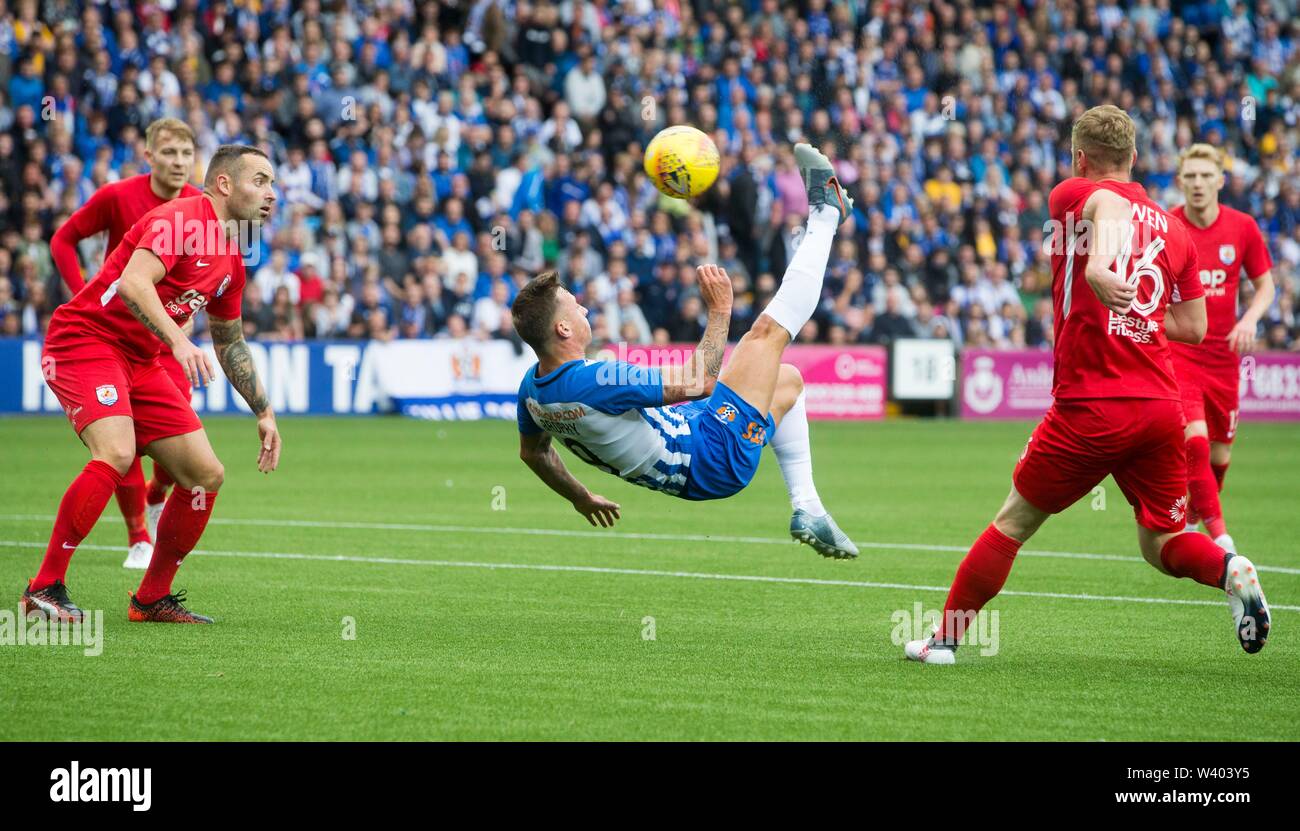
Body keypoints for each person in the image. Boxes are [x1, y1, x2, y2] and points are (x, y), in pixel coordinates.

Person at [906, 106, 1269, 665]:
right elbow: (1195, 328)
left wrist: (1100, 266)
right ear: (1136, 158)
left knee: (1013, 523)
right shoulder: (1174, 229)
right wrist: (1145, 315)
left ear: (1081, 158)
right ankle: (1229, 568)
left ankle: (945, 642)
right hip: (1158, 408)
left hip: (1091, 407)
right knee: (1162, 543)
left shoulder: (1074, 195)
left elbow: (1109, 205)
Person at [512, 145, 859, 558]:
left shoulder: (532, 391)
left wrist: (579, 496)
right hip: (707, 452)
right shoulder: (595, 379)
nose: (585, 307)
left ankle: (809, 508)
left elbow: (533, 453)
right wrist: (720, 311)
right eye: (575, 304)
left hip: (691, 449)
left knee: (786, 381)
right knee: (765, 335)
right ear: (563, 327)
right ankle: (827, 212)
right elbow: (697, 382)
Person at [22, 145, 283, 624]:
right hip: (86, 341)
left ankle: (150, 598)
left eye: (272, 184)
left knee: (206, 475)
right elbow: (132, 284)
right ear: (224, 184)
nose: (272, 194)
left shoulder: (232, 260)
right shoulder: (181, 219)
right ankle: (43, 589)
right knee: (117, 453)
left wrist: (263, 412)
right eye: (261, 181)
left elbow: (230, 342)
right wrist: (179, 344)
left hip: (140, 361)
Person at [49, 117, 202, 569]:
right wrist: (82, 291)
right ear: (149, 156)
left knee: (180, 457)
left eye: (186, 154)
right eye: (169, 153)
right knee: (122, 441)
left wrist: (186, 315)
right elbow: (64, 240)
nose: (178, 162)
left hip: (165, 343)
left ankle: (156, 497)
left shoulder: (199, 206)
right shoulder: (118, 196)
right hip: (114, 337)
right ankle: (139, 536)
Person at [1169, 144, 1276, 554]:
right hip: (1180, 352)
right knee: (1193, 440)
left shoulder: (1243, 227)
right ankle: (1223, 543)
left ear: (1220, 180)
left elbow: (1266, 285)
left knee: (1217, 460)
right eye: (1190, 176)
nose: (1197, 183)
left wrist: (1249, 320)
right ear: (1180, 182)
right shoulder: (1167, 226)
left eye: (1204, 176)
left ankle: (1193, 520)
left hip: (1224, 360)